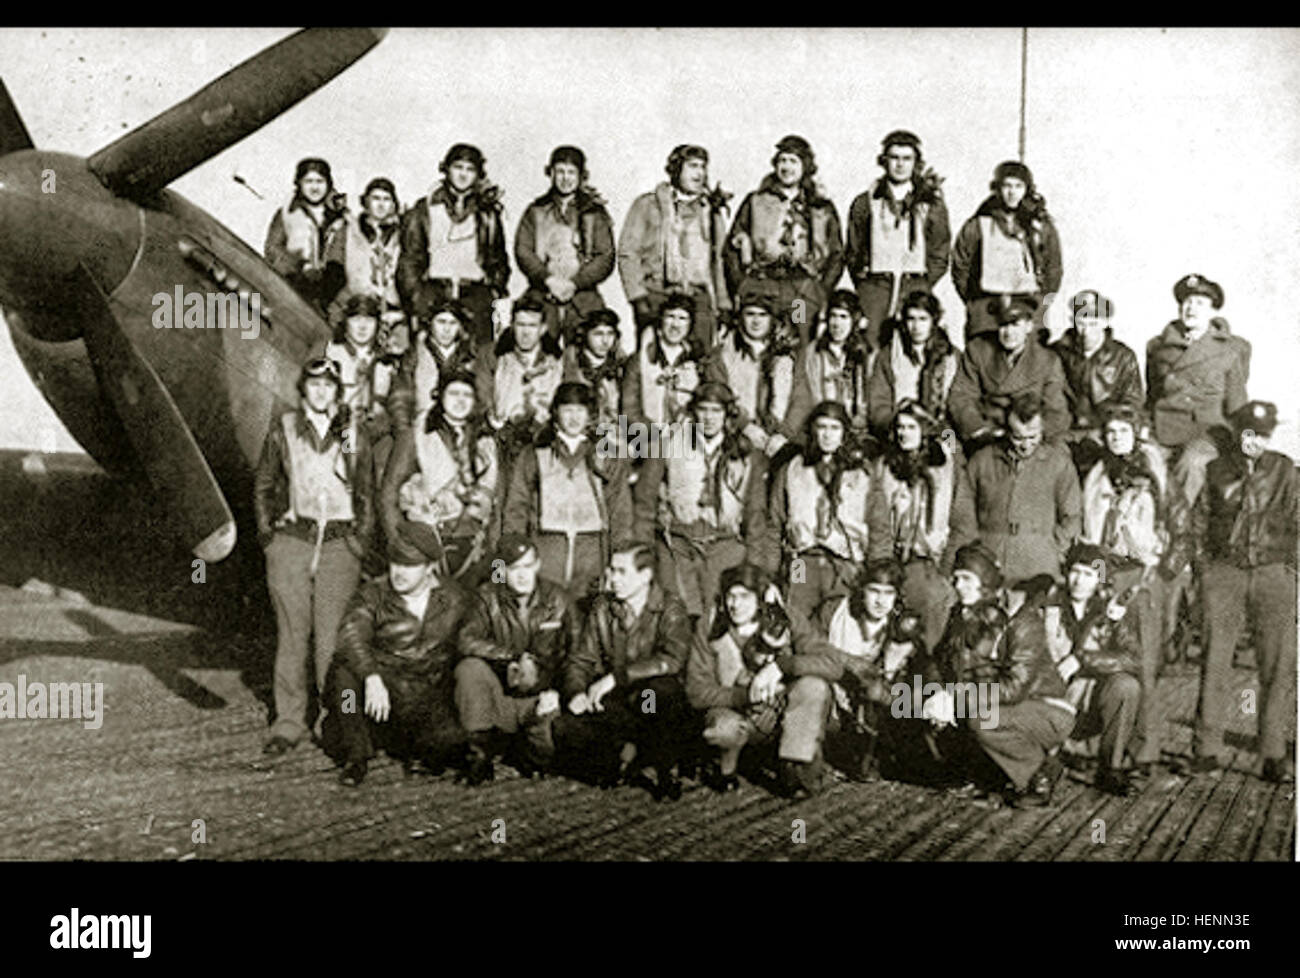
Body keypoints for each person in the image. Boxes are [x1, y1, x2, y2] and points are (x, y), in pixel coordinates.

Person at [253, 357, 373, 756]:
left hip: (340, 543)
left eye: (329, 386)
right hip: (293, 540)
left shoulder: (354, 433)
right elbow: (264, 484)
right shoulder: (284, 428)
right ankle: (288, 721)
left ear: (338, 392)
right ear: (304, 389)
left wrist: (359, 542)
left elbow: (367, 492)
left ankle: (332, 720)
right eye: (315, 385)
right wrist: (269, 536)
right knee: (291, 636)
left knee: (330, 641)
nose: (321, 392)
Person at [1185, 401, 1296, 783]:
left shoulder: (1285, 471)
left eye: (1263, 435)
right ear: (1238, 433)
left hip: (1272, 575)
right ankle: (1207, 749)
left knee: (1276, 666)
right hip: (1225, 575)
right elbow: (1197, 522)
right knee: (1215, 660)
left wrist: (1289, 569)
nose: (1256, 442)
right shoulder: (1216, 471)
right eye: (1249, 433)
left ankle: (1273, 752)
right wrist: (1205, 570)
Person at [325, 521, 471, 787]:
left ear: (430, 568)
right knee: (344, 678)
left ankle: (417, 749)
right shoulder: (373, 593)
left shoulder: (453, 598)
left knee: (449, 748)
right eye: (395, 563)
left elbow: (473, 639)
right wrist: (371, 676)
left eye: (410, 565)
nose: (399, 572)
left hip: (426, 694)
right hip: (384, 688)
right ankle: (355, 755)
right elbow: (350, 635)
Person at [931, 543, 1076, 807]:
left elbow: (1015, 687)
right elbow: (942, 659)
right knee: (910, 701)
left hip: (1045, 707)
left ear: (985, 581)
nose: (957, 584)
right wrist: (934, 693)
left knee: (983, 720)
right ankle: (982, 775)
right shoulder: (961, 613)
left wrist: (956, 699)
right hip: (996, 703)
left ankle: (1040, 773)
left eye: (966, 578)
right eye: (955, 578)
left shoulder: (1021, 620)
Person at [686, 563, 848, 796]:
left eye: (744, 596)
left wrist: (783, 666)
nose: (735, 604)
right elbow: (696, 690)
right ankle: (726, 769)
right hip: (737, 713)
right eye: (730, 596)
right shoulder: (710, 625)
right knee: (724, 730)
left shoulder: (788, 618)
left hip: (783, 713)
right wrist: (743, 696)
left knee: (814, 687)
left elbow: (832, 664)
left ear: (761, 598)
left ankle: (796, 768)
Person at [555, 542, 695, 800]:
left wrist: (617, 677)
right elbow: (581, 660)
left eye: (621, 572)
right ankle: (626, 754)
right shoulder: (603, 608)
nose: (613, 579)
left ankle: (667, 770)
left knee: (658, 694)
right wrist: (576, 692)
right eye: (611, 570)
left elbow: (672, 659)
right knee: (566, 729)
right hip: (618, 702)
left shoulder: (670, 607)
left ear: (645, 576)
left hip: (652, 700)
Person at [632, 381, 772, 618]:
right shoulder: (668, 443)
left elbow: (755, 515)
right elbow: (644, 502)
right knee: (679, 614)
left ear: (728, 414)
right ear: (693, 411)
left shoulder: (747, 454)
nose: (709, 418)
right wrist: (644, 555)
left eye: (716, 411)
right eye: (703, 409)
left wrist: (755, 568)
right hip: (678, 543)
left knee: (717, 617)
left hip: (725, 544)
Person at [1080, 401, 1167, 764]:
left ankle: (1143, 748)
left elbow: (1164, 523)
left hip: (1140, 569)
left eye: (1123, 432)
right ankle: (1098, 742)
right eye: (1111, 432)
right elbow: (1089, 527)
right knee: (1100, 648)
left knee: (1143, 659)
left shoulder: (1151, 468)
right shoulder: (1099, 472)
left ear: (1136, 434)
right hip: (1105, 566)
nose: (1116, 438)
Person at [453, 535, 579, 784]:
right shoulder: (487, 597)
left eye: (528, 566)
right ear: (501, 569)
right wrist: (512, 657)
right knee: (468, 669)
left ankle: (522, 750)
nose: (522, 575)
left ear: (538, 565)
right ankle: (479, 753)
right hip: (501, 698)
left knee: (548, 754)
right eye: (513, 568)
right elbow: (466, 641)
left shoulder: (558, 599)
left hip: (542, 697)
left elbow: (579, 654)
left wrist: (561, 694)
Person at [1033, 543, 1147, 796]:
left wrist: (1082, 659)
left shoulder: (1112, 611)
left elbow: (1133, 659)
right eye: (1075, 572)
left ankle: (1110, 768)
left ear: (1099, 579)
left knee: (1126, 685)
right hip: (1052, 693)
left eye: (1088, 574)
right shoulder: (1047, 605)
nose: (1079, 581)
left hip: (1090, 696)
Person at [501, 382, 632, 599]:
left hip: (591, 558)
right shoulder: (535, 454)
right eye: (567, 410)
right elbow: (516, 507)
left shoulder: (606, 456)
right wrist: (513, 562)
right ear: (555, 413)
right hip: (546, 555)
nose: (573, 417)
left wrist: (618, 563)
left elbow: (620, 511)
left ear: (589, 414)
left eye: (580, 410)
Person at [379, 369, 498, 585]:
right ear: (440, 396)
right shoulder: (416, 436)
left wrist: (495, 558)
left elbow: (499, 502)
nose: (460, 401)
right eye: (454, 394)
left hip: (475, 550)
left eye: (467, 395)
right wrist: (400, 546)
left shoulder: (485, 441)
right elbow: (389, 494)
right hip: (426, 543)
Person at [950, 392, 1082, 585]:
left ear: (1042, 429)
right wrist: (972, 554)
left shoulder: (1059, 464)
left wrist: (1053, 549)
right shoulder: (982, 461)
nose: (1026, 445)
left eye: (1033, 437)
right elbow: (964, 515)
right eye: (1018, 438)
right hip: (989, 561)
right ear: (1006, 431)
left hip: (1039, 564)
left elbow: (1072, 516)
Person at [725, 135, 844, 345]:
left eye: (793, 161)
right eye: (782, 160)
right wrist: (742, 285)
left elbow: (836, 253)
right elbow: (732, 246)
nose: (787, 167)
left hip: (800, 291)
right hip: (763, 286)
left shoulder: (820, 207)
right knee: (760, 342)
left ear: (805, 166)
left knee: (798, 339)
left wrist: (821, 290)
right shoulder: (757, 201)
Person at [1145, 273, 1250, 511]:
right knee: (1147, 461)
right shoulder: (1158, 347)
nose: (1191, 308)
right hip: (1164, 428)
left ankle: (1173, 529)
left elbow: (1237, 405)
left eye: (1200, 303)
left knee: (1191, 464)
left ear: (1213, 312)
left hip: (1208, 432)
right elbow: (1152, 397)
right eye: (1186, 302)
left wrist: (1245, 440)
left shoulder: (1230, 350)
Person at [618, 144, 732, 350]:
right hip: (658, 294)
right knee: (653, 357)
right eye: (692, 166)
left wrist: (723, 304)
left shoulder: (710, 211)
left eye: (703, 167)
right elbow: (628, 252)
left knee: (700, 358)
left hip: (699, 298)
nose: (699, 173)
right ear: (677, 168)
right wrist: (637, 297)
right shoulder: (648, 205)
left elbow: (720, 260)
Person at [845, 130, 951, 350]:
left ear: (916, 163)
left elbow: (940, 250)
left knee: (912, 348)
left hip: (913, 285)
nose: (900, 165)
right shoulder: (865, 202)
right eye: (894, 158)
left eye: (907, 159)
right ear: (884, 161)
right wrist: (867, 284)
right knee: (871, 347)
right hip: (876, 287)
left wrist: (921, 282)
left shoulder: (931, 205)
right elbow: (853, 250)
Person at [866, 401, 960, 650]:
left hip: (929, 557)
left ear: (924, 431)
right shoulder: (883, 467)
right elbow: (877, 519)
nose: (903, 433)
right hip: (891, 555)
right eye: (899, 427)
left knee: (934, 599)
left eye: (911, 427)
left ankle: (929, 666)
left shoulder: (945, 466)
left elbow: (962, 518)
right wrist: (882, 560)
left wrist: (948, 565)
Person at [767, 400, 873, 619]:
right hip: (801, 560)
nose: (827, 435)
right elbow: (773, 524)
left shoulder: (862, 473)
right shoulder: (792, 468)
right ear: (813, 430)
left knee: (839, 625)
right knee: (795, 615)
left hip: (845, 562)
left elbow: (878, 524)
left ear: (844, 433)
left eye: (834, 428)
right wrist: (768, 575)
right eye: (822, 427)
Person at [397, 143, 509, 347]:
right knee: (429, 357)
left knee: (476, 358)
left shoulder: (487, 214)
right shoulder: (425, 209)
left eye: (470, 169)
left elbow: (498, 259)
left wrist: (493, 290)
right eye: (458, 167)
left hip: (474, 296)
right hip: (434, 293)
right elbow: (410, 260)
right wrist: (416, 296)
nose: (463, 175)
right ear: (446, 169)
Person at [515, 145, 616, 345]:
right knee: (533, 341)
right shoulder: (536, 210)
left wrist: (575, 283)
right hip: (543, 291)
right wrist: (547, 279)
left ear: (581, 176)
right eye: (560, 171)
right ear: (550, 173)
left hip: (582, 293)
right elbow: (523, 250)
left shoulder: (594, 213)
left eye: (571, 172)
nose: (565, 178)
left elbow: (605, 256)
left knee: (590, 345)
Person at [951, 160, 1062, 341]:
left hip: (1029, 303)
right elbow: (960, 264)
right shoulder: (979, 223)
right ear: (997, 188)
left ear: (1027, 189)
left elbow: (1053, 268)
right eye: (1007, 186)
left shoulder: (1040, 226)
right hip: (987, 306)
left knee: (1029, 359)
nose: (1012, 192)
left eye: (1018, 186)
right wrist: (973, 302)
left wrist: (1043, 303)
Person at [947, 294, 1070, 452]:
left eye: (1015, 325)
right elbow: (961, 396)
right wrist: (978, 428)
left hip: (1030, 438)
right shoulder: (978, 350)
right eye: (1003, 325)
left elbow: (1056, 411)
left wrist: (1029, 436)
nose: (1008, 333)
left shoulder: (1047, 360)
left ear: (1029, 326)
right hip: (987, 434)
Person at [1052, 290, 1144, 478]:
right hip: (1067, 429)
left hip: (1104, 429)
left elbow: (1131, 401)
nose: (1086, 331)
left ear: (1105, 322)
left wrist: (1107, 429)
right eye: (1081, 323)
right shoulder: (1059, 352)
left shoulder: (1123, 357)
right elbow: (1051, 393)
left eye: (1093, 323)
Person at [704, 289, 796, 456]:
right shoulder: (722, 355)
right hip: (736, 436)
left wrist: (783, 433)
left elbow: (801, 399)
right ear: (740, 318)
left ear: (772, 320)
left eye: (762, 315)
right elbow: (718, 397)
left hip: (779, 437)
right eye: (750, 314)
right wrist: (745, 425)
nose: (756, 321)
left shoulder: (787, 355)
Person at [387, 297, 490, 435]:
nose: (446, 329)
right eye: (441, 322)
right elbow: (400, 397)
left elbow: (482, 399)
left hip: (462, 430)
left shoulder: (472, 357)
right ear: (430, 323)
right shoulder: (415, 355)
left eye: (453, 323)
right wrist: (404, 430)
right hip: (421, 428)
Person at [865, 289, 959, 439]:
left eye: (923, 319)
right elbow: (878, 404)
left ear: (934, 321)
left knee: (954, 457)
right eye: (911, 319)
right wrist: (895, 424)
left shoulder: (951, 357)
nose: (916, 327)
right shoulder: (889, 356)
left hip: (943, 431)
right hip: (901, 430)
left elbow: (959, 402)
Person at [784, 288, 874, 439]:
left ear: (854, 320)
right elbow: (802, 397)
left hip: (855, 430)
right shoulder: (811, 353)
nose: (837, 324)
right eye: (833, 316)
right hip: (819, 428)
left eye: (844, 317)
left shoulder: (866, 355)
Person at [321, 176, 404, 332]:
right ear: (366, 202)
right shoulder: (348, 229)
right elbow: (334, 268)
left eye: (386, 199)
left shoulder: (403, 235)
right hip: (352, 303)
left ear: (393, 205)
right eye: (376, 198)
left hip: (390, 309)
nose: (380, 204)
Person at [264, 157, 346, 315]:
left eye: (320, 181)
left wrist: (329, 275)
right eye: (309, 181)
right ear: (299, 184)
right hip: (292, 285)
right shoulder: (287, 214)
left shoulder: (339, 219)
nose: (314, 187)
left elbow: (342, 252)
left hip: (329, 292)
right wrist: (298, 266)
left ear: (328, 184)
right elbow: (272, 249)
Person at [485, 293, 565, 456]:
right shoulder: (500, 362)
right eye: (521, 325)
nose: (526, 333)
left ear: (542, 329)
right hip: (503, 443)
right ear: (512, 326)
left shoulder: (555, 366)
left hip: (545, 444)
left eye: (532, 326)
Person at [621, 292, 709, 432]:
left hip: (689, 437)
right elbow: (629, 409)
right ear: (661, 321)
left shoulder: (698, 361)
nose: (675, 325)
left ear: (690, 324)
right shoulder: (639, 360)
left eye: (682, 318)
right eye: (670, 317)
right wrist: (657, 434)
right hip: (650, 439)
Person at [561, 308, 626, 428]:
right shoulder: (567, 365)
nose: (605, 341)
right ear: (585, 335)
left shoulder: (622, 367)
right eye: (598, 334)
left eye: (610, 334)